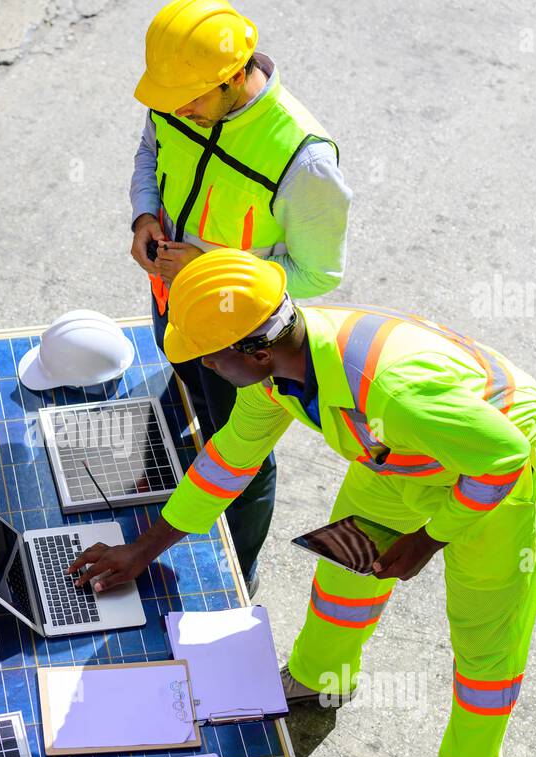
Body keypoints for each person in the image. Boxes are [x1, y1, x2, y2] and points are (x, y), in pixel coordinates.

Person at [70, 249, 536, 757]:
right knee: (346, 578)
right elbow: (232, 457)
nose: (211, 372)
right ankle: (320, 676)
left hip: (498, 464)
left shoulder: (388, 389)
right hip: (401, 456)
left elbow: (500, 459)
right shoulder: (281, 364)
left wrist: (428, 540)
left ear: (253, 351)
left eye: (211, 360)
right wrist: (144, 550)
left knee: (484, 645)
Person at [128, 0, 352, 595]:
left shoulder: (306, 162)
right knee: (185, 395)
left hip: (238, 339)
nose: (177, 112)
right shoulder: (180, 90)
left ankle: (236, 572)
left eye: (190, 103)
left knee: (241, 454)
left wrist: (213, 270)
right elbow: (149, 155)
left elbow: (319, 274)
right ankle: (182, 457)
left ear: (233, 78)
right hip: (170, 304)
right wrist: (143, 215)